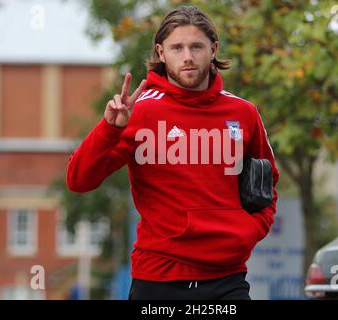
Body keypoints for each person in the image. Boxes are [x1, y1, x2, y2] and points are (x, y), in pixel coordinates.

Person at [66, 6, 279, 300]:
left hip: (227, 279)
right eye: (177, 48)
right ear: (161, 53)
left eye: (196, 46)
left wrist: (247, 232)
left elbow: (268, 187)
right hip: (157, 279)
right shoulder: (139, 111)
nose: (187, 57)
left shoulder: (243, 113)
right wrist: (108, 128)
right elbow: (79, 179)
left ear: (213, 49)